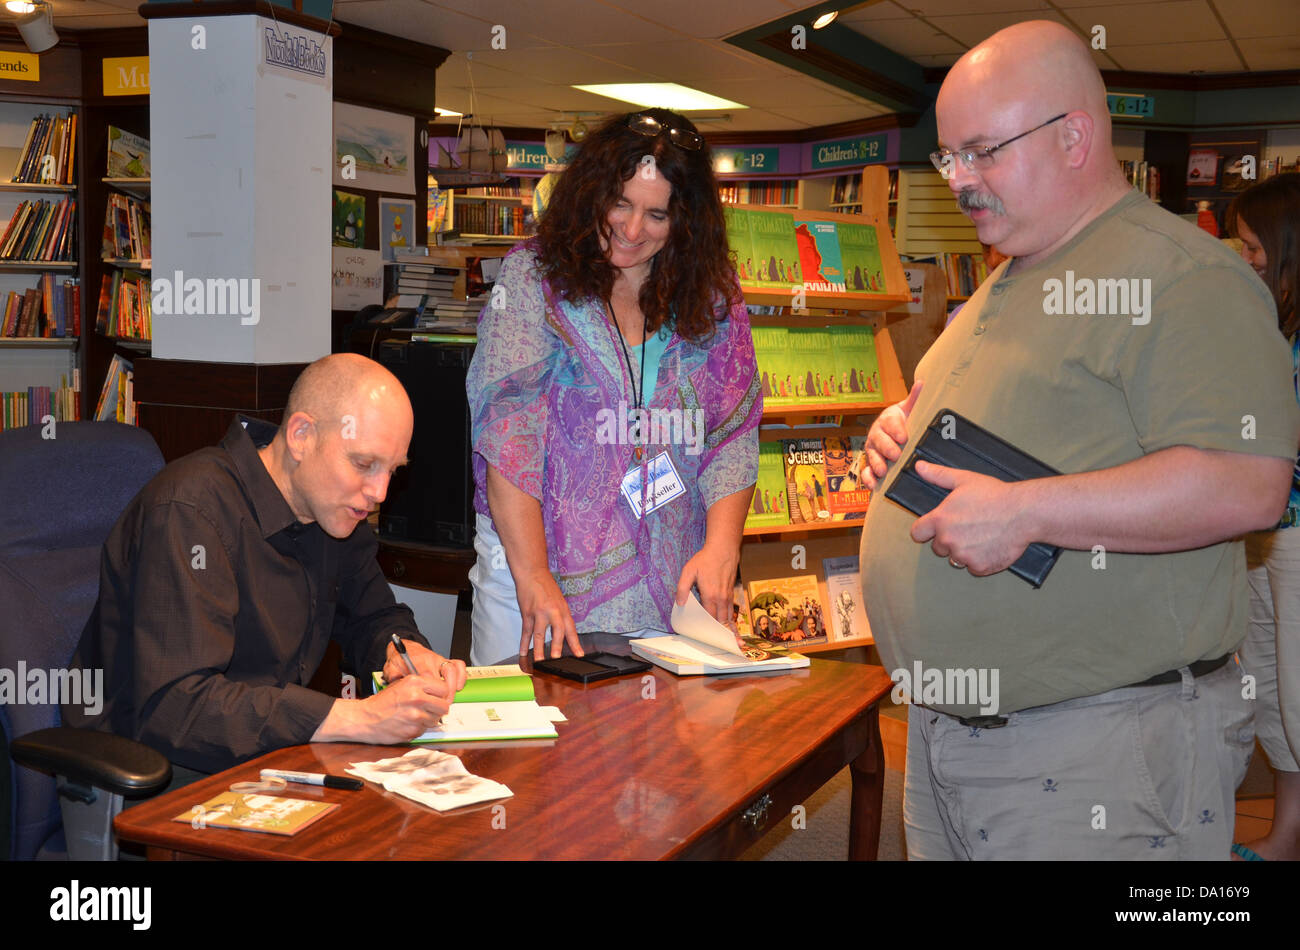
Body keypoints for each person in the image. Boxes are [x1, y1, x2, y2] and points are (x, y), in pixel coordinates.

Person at [859, 21, 1300, 860]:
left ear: (1074, 136)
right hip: (953, 733)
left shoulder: (1185, 276)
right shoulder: (1010, 275)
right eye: (948, 156)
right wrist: (898, 437)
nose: (959, 179)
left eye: (982, 150)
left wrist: (1025, 513)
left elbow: (1248, 482)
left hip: (1097, 750)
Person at [64, 353, 467, 781]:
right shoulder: (189, 513)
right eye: (364, 464)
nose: (380, 492)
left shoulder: (332, 510)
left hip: (269, 758)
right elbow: (178, 707)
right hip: (164, 776)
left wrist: (402, 650)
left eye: (391, 471)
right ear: (301, 436)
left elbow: (372, 615)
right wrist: (358, 718)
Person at [465, 108, 760, 665]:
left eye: (656, 215)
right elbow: (509, 436)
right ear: (592, 193)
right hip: (535, 565)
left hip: (669, 574)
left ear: (686, 221)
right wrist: (534, 573)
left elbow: (733, 426)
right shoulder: (534, 279)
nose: (630, 231)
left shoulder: (712, 295)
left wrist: (723, 545)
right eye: (620, 203)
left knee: (648, 745)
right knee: (523, 743)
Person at [1228, 172, 1300, 861]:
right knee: (1273, 691)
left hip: (1295, 532)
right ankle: (1284, 836)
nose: (1246, 258)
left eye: (1254, 246)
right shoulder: (1270, 323)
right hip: (1263, 531)